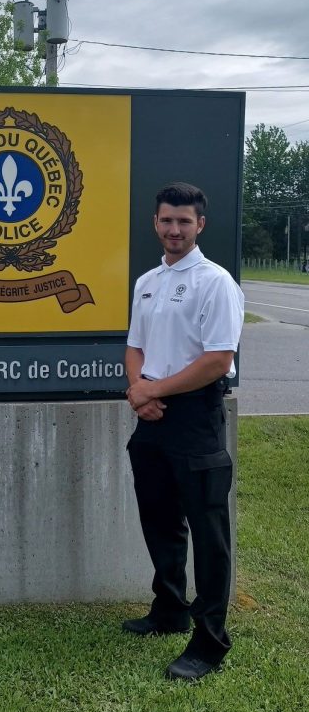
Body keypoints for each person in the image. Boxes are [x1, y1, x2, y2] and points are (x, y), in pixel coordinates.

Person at [123, 182, 244, 681]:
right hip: (151, 417)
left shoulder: (215, 282)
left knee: (208, 532)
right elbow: (135, 346)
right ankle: (169, 609)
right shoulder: (147, 281)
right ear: (156, 223)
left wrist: (155, 391)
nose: (174, 229)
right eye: (167, 220)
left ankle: (209, 641)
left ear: (200, 226)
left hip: (194, 417)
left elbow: (217, 360)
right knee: (160, 518)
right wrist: (138, 388)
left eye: (184, 222)